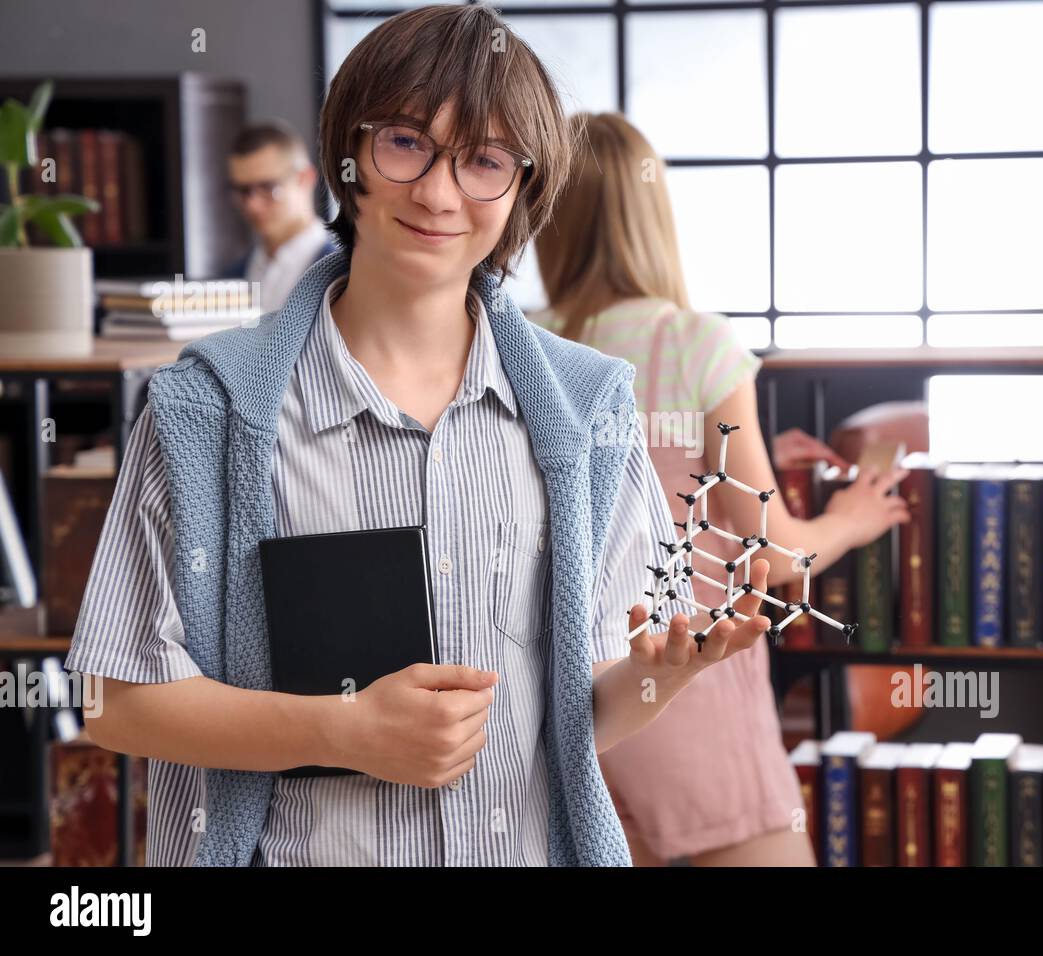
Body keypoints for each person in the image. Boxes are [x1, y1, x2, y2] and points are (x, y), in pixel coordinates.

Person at [67, 5, 774, 867]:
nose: (439, 193)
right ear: (347, 156)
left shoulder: (588, 412)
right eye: (406, 143)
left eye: (484, 161)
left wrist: (668, 673)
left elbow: (584, 720)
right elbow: (113, 696)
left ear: (523, 189)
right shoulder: (207, 407)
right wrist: (343, 730)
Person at [532, 112, 910, 866]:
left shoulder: (527, 340)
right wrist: (850, 518)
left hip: (566, 697)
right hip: (683, 679)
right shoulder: (692, 341)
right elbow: (776, 555)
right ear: (652, 213)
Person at [223, 120, 338, 309]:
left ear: (304, 179)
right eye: (244, 191)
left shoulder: (346, 273)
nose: (253, 205)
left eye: (268, 188)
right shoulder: (231, 277)